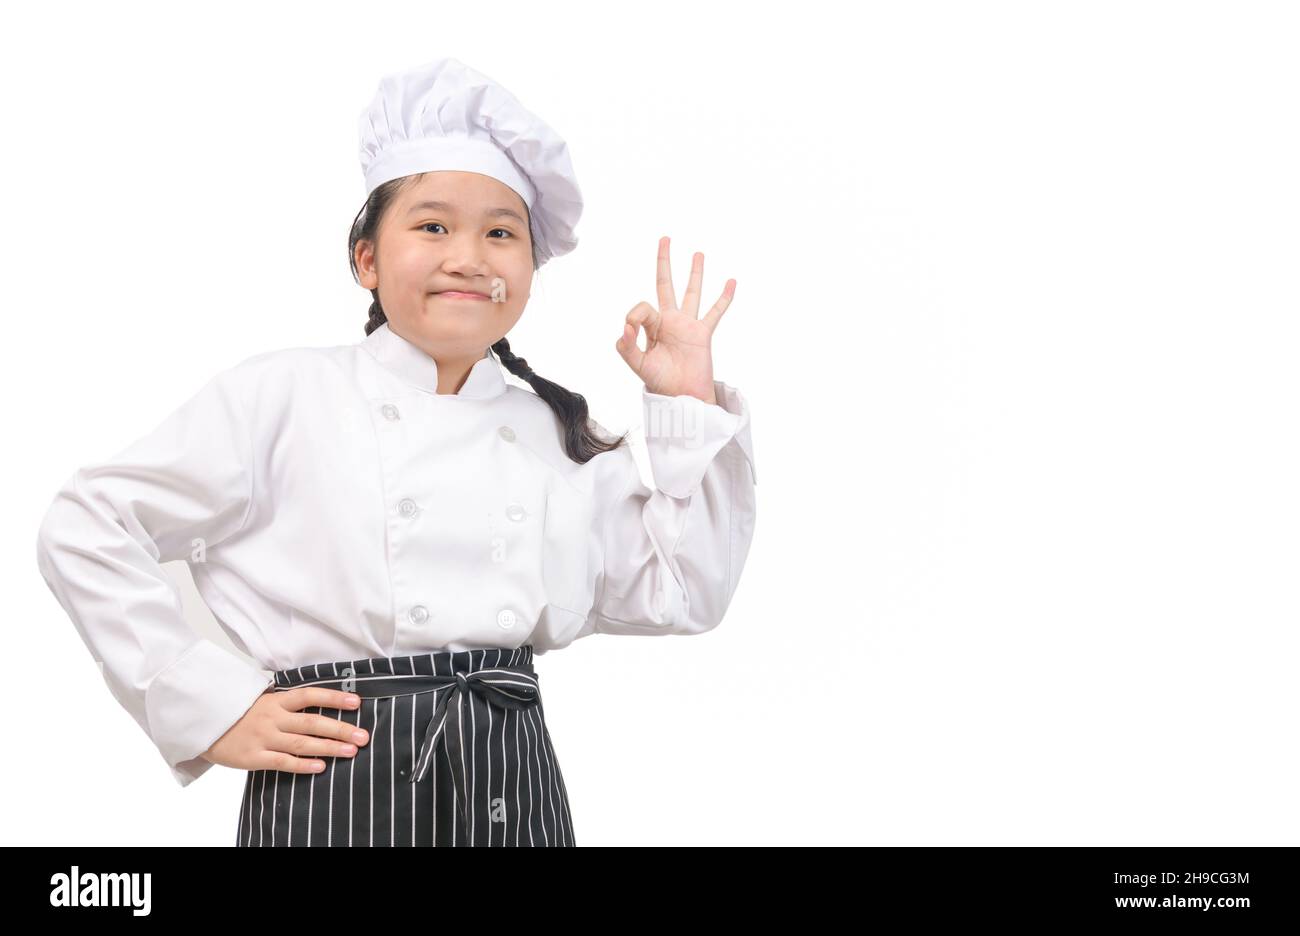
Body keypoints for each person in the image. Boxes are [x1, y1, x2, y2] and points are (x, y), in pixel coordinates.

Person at [34, 55, 757, 847]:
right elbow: (88, 522)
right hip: (335, 777)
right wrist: (211, 706)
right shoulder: (284, 395)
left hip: (510, 780)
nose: (469, 256)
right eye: (433, 225)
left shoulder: (557, 434)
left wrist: (685, 399)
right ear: (367, 260)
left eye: (501, 233)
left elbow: (686, 591)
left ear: (527, 272)